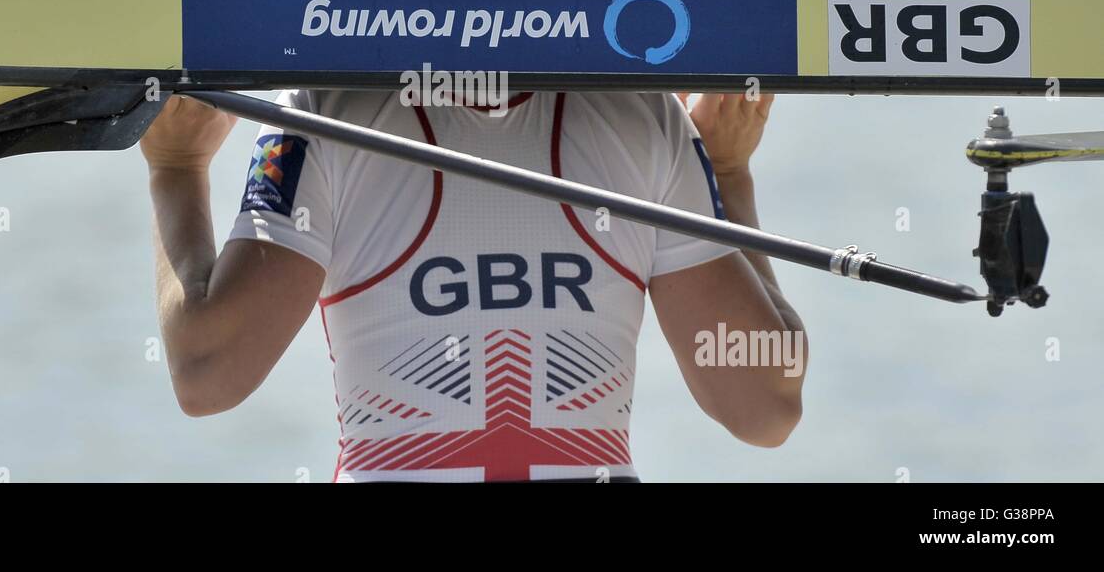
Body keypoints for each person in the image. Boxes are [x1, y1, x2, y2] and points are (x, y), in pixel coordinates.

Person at [142, 89, 805, 483]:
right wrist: (727, 174)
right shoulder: (641, 113)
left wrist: (176, 164)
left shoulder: (324, 109)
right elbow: (764, 404)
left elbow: (207, 371)